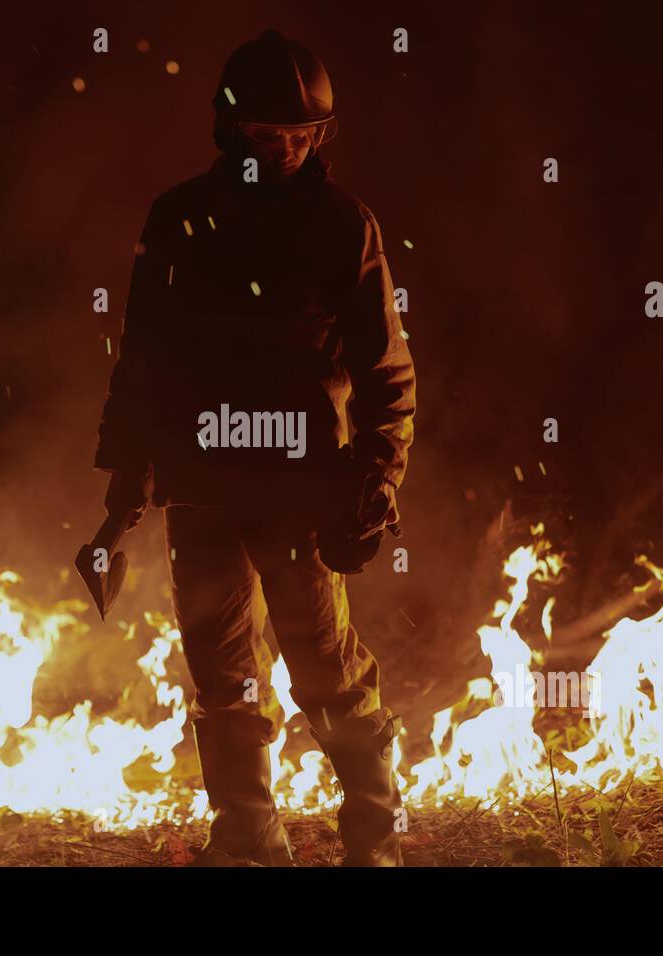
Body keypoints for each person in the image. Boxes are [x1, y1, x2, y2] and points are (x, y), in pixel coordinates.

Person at [93, 28, 416, 866]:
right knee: (226, 680)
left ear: (319, 137)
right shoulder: (177, 218)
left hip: (302, 488)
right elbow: (144, 357)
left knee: (328, 675)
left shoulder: (344, 226)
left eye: (298, 136)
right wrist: (125, 483)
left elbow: (386, 367)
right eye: (266, 135)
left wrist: (379, 473)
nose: (281, 149)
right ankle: (249, 841)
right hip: (202, 490)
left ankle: (375, 842)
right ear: (230, 131)